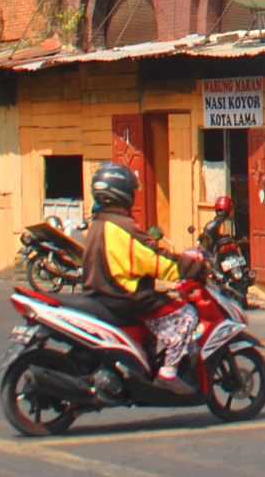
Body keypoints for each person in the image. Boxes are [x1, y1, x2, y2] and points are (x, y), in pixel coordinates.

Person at [77, 161, 201, 398]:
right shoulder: (122, 226)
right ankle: (168, 374)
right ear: (122, 193)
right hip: (126, 296)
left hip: (102, 294)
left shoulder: (97, 223)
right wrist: (192, 267)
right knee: (187, 316)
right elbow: (156, 261)